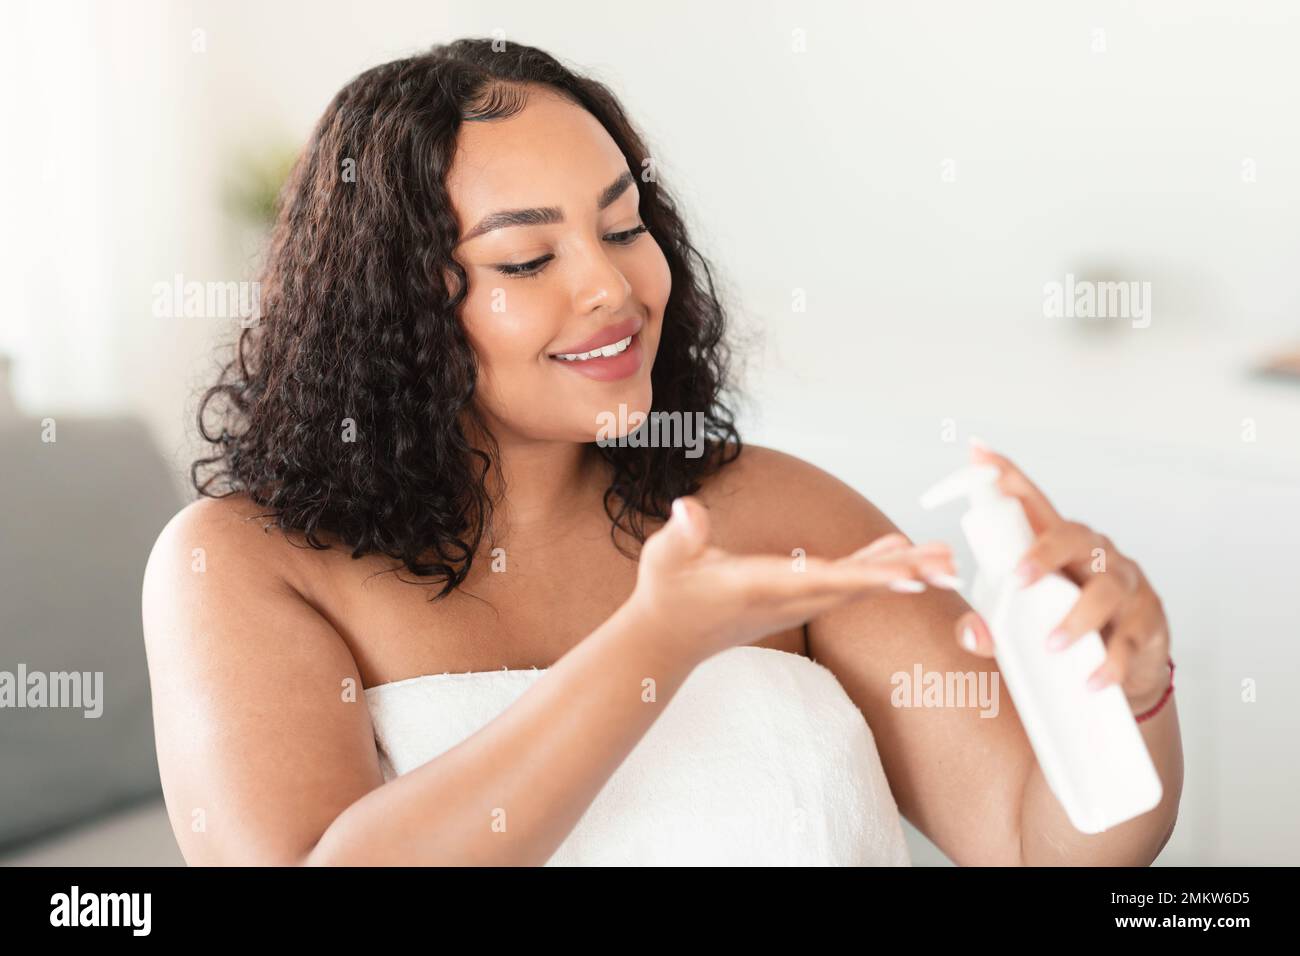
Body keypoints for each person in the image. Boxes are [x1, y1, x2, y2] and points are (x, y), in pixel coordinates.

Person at [141, 38, 1182, 866]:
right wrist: (656, 641)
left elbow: (1041, 843)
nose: (612, 287)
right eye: (529, 255)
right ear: (389, 304)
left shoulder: (785, 511)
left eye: (625, 226)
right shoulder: (242, 565)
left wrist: (1131, 693)